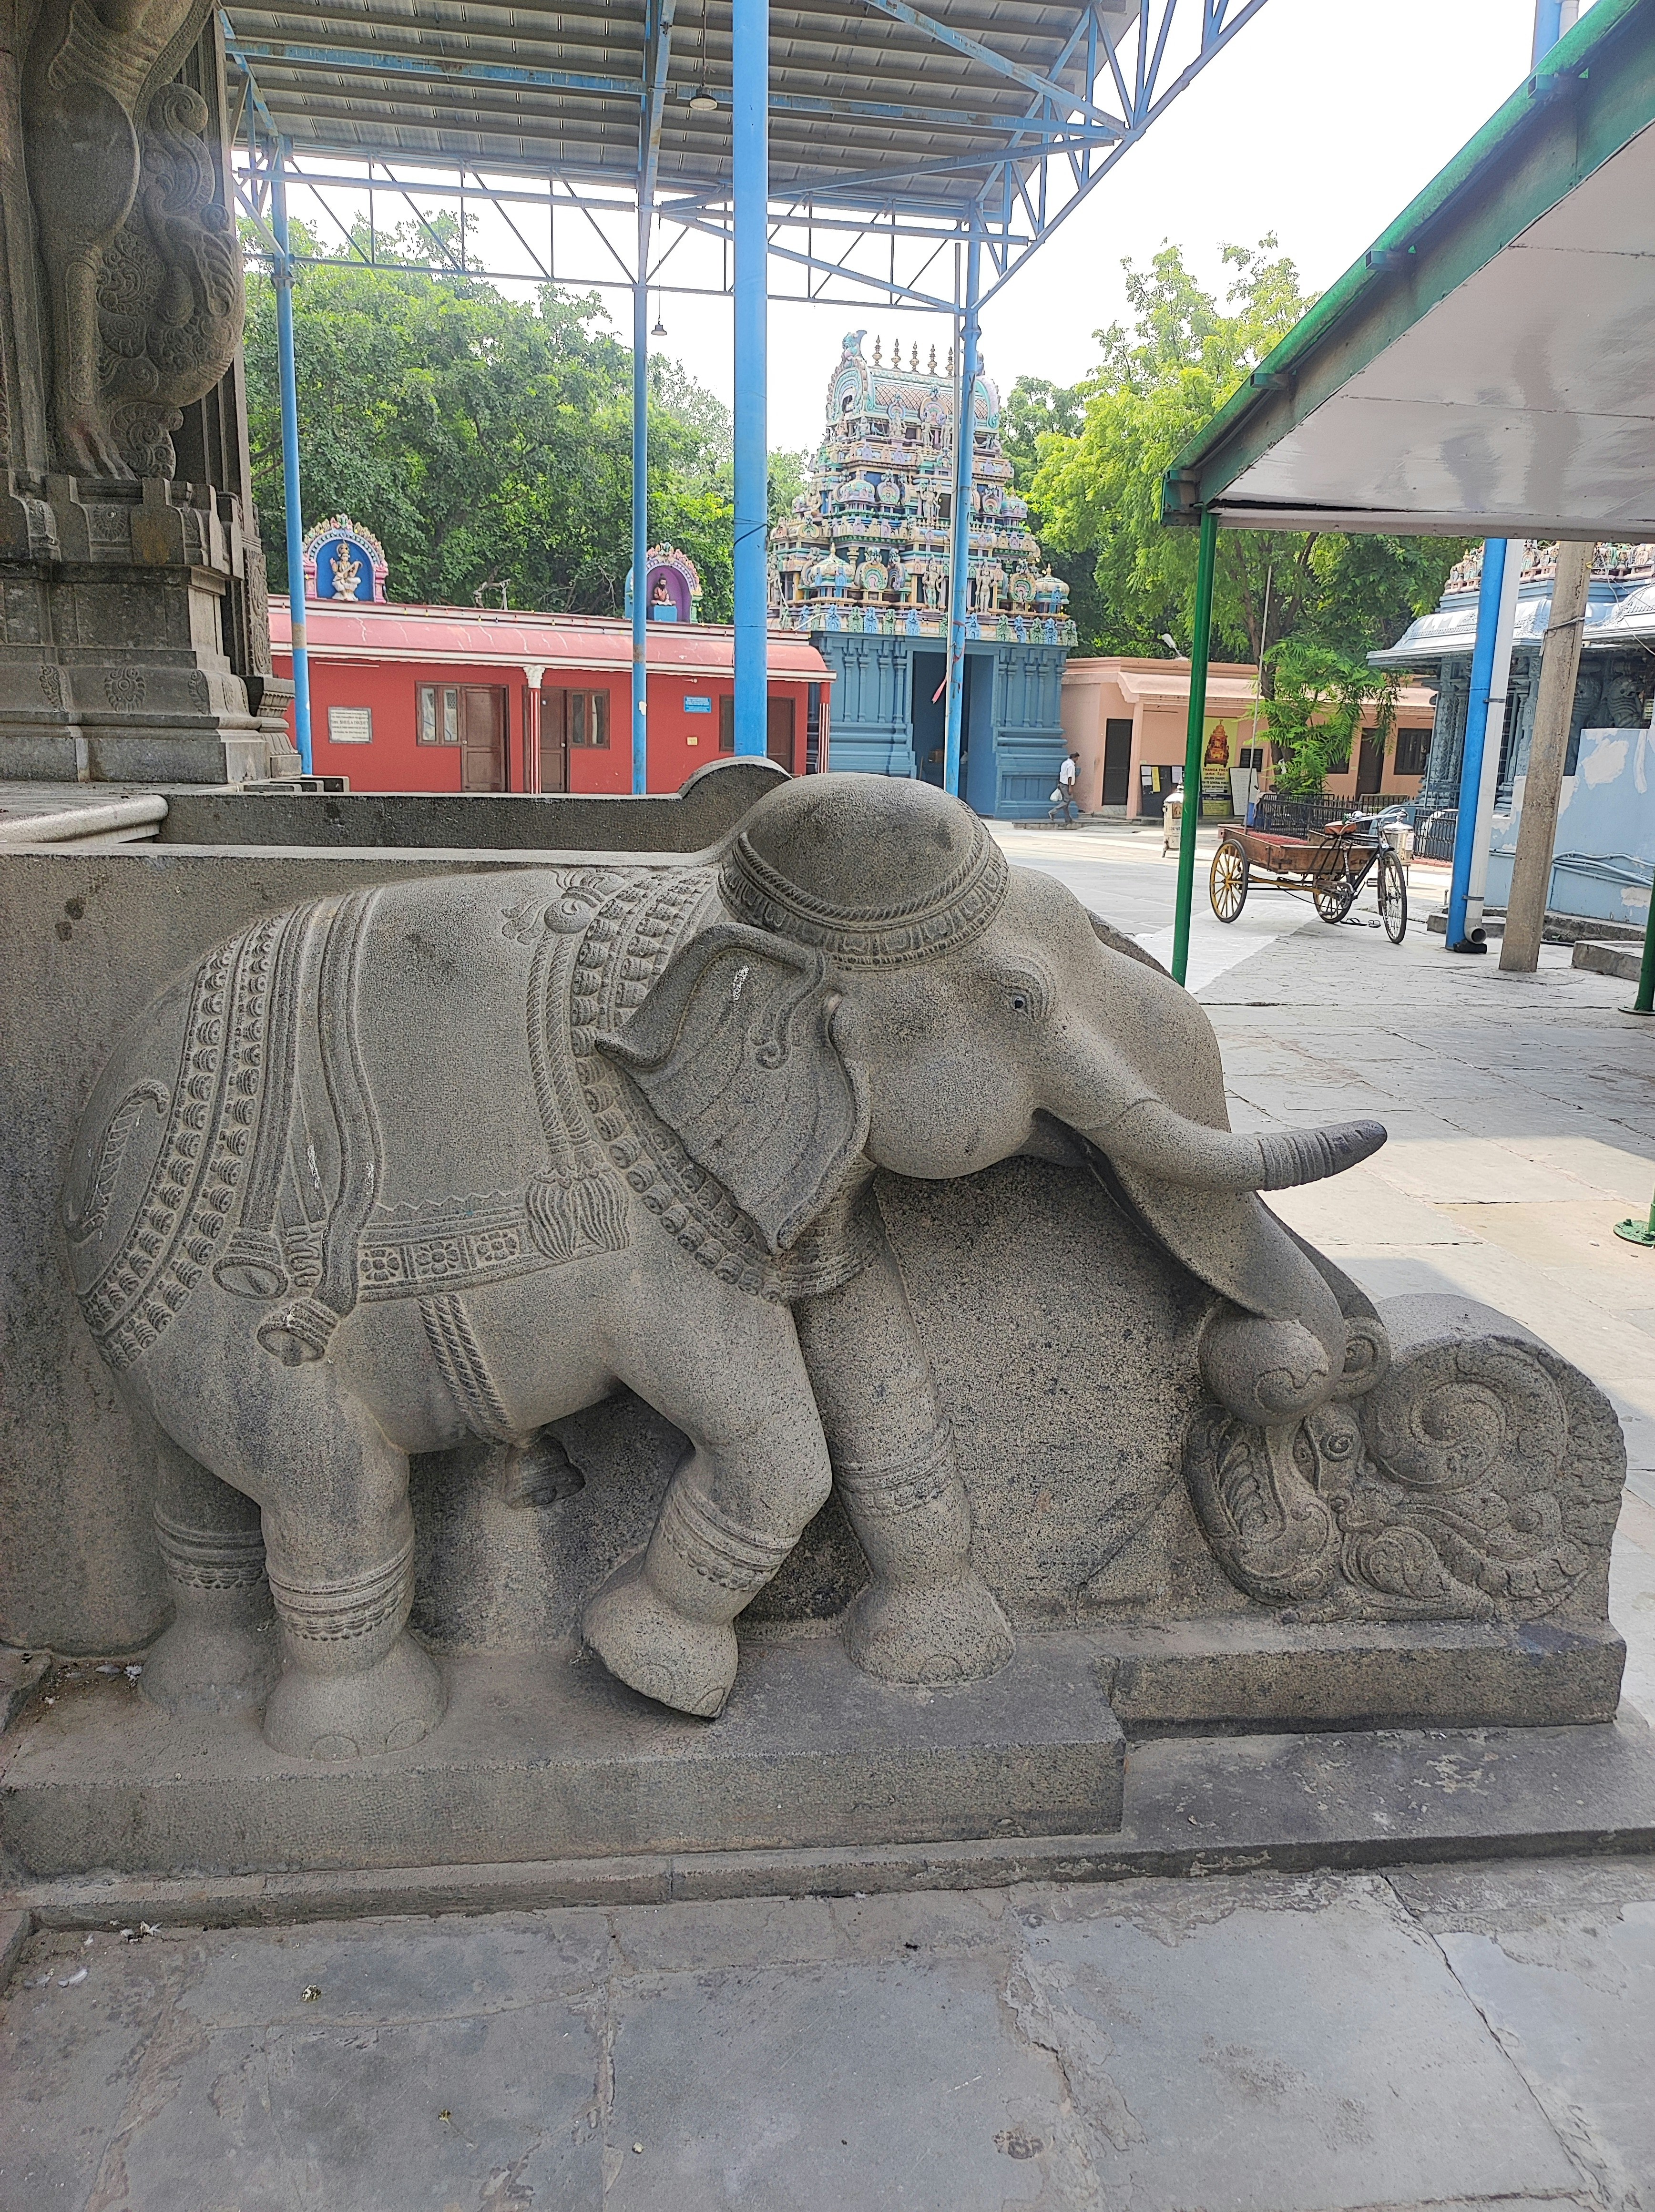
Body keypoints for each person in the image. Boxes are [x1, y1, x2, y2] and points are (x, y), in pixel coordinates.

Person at [1055, 749, 1080, 825]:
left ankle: (1068, 819)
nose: (1077, 760)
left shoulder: (1065, 763)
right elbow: (1070, 777)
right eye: (1077, 759)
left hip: (1062, 784)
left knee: (1066, 802)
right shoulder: (1071, 765)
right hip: (1066, 785)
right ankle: (1054, 811)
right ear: (1074, 758)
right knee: (1068, 799)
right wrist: (1070, 787)